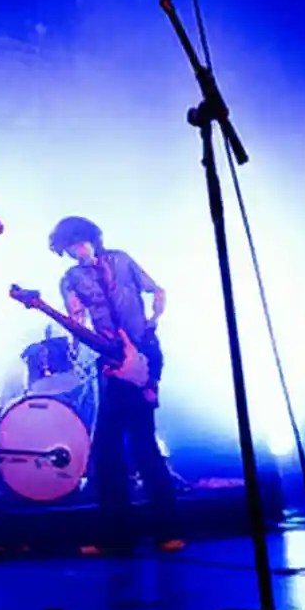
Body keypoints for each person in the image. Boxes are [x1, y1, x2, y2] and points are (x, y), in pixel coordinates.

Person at [48, 216, 184, 554]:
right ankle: (120, 535)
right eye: (69, 248)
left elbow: (157, 289)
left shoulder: (121, 260)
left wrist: (154, 319)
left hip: (144, 352)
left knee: (141, 444)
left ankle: (162, 532)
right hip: (111, 358)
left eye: (79, 243)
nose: (77, 251)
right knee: (110, 450)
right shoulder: (70, 278)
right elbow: (76, 315)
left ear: (92, 238)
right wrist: (75, 331)